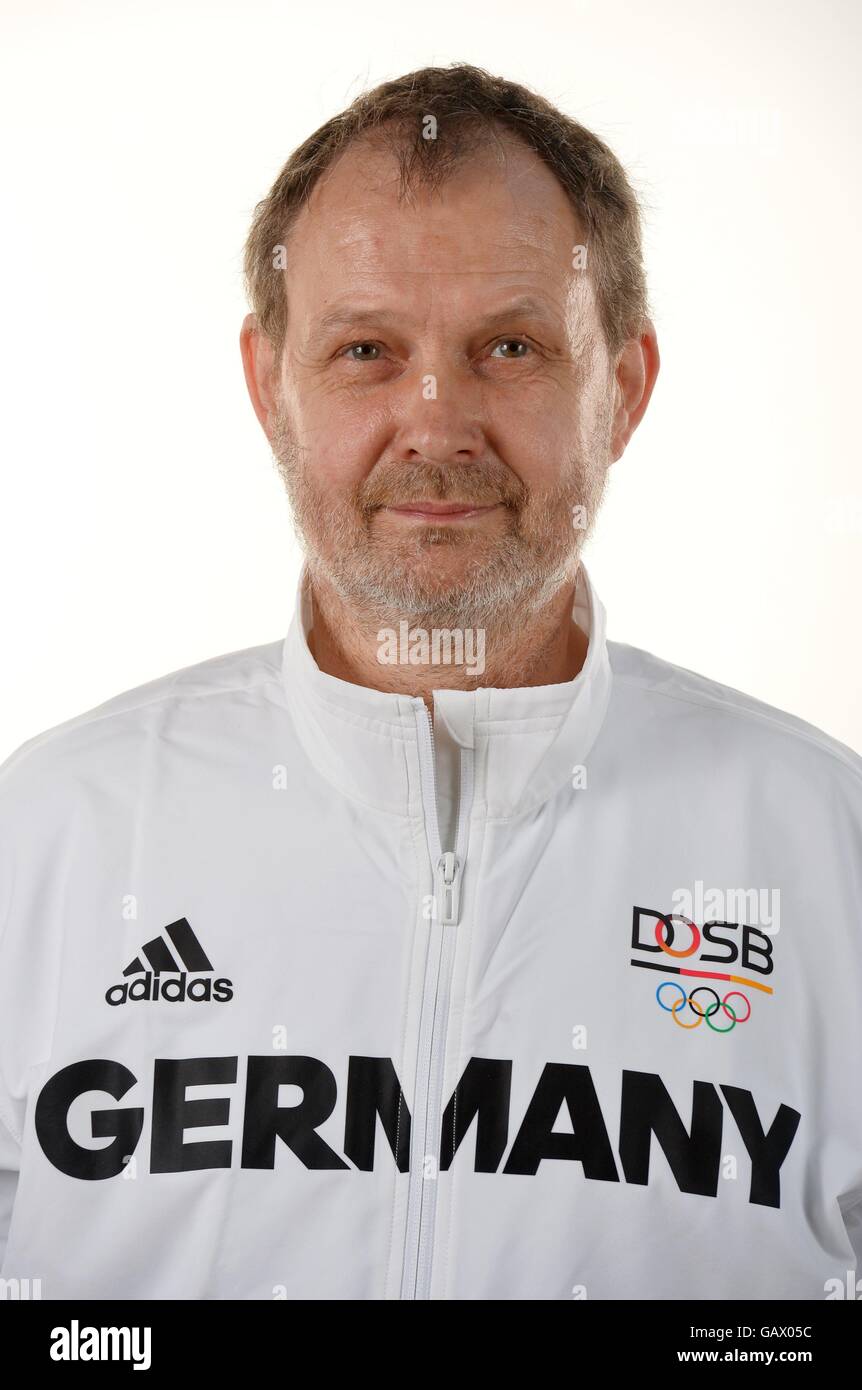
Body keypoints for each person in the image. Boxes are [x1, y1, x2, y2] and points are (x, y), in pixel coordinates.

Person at [1, 63, 860, 1302]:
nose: (435, 421)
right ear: (267, 387)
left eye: (508, 346)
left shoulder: (823, 850)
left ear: (620, 387)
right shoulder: (52, 839)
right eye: (365, 349)